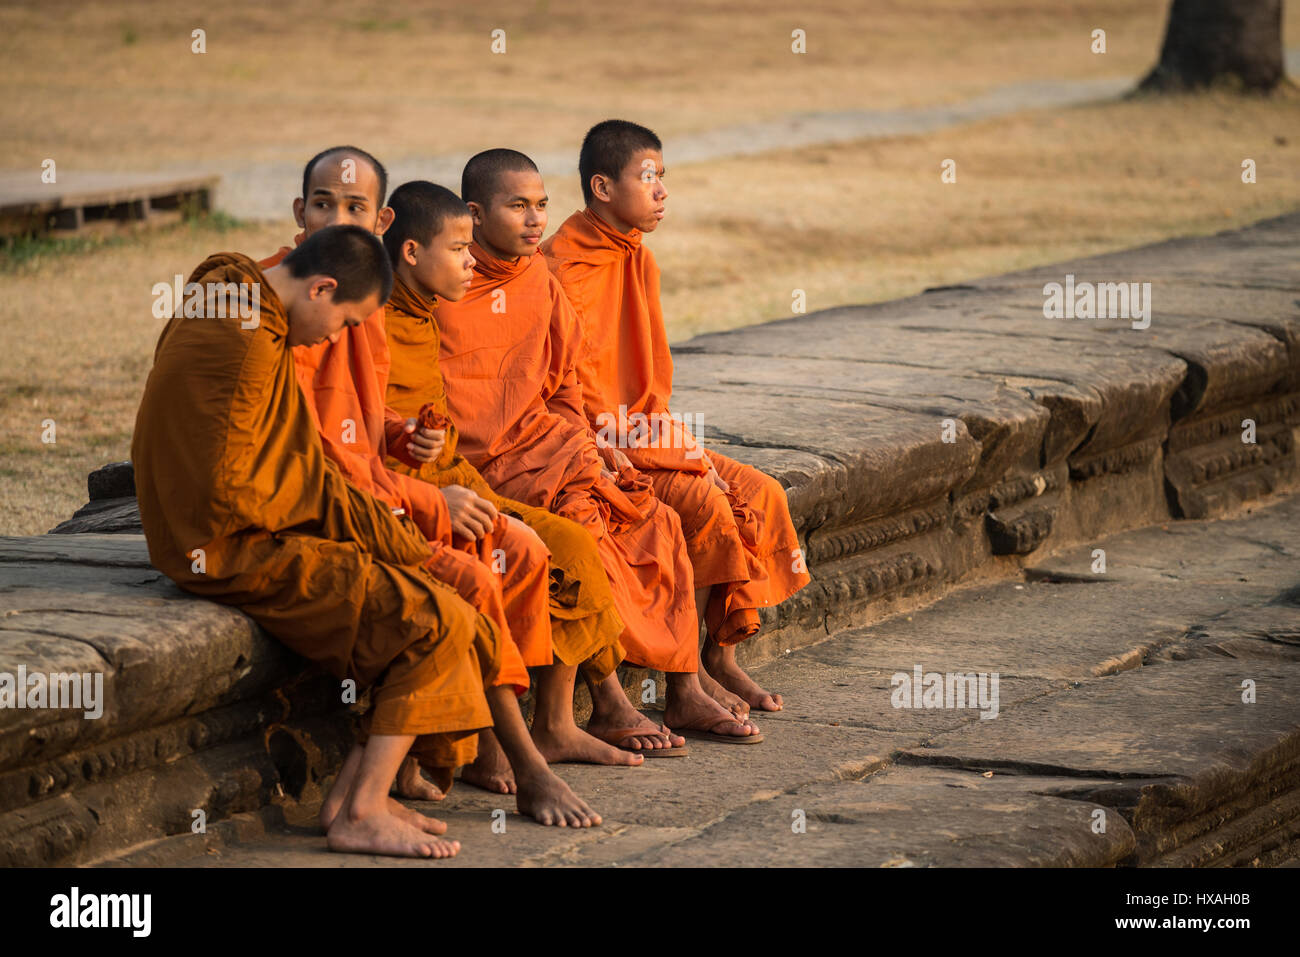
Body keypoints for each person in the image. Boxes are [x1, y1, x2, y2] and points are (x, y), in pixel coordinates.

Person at [432, 150, 761, 744]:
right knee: (587, 535)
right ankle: (607, 702)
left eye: (540, 206)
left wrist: (585, 443)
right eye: (517, 207)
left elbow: (562, 385)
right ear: (474, 215)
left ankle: (683, 688)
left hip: (552, 446)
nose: (535, 221)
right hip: (489, 465)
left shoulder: (535, 277)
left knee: (654, 519)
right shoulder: (445, 283)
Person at [543, 120, 811, 714]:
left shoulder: (636, 257)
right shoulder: (564, 268)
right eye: (647, 177)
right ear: (602, 187)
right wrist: (683, 459)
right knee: (702, 501)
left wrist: (684, 449)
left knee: (762, 493)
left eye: (663, 176)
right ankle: (682, 686)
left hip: (648, 432)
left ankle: (720, 658)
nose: (662, 191)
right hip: (603, 445)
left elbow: (648, 392)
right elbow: (584, 399)